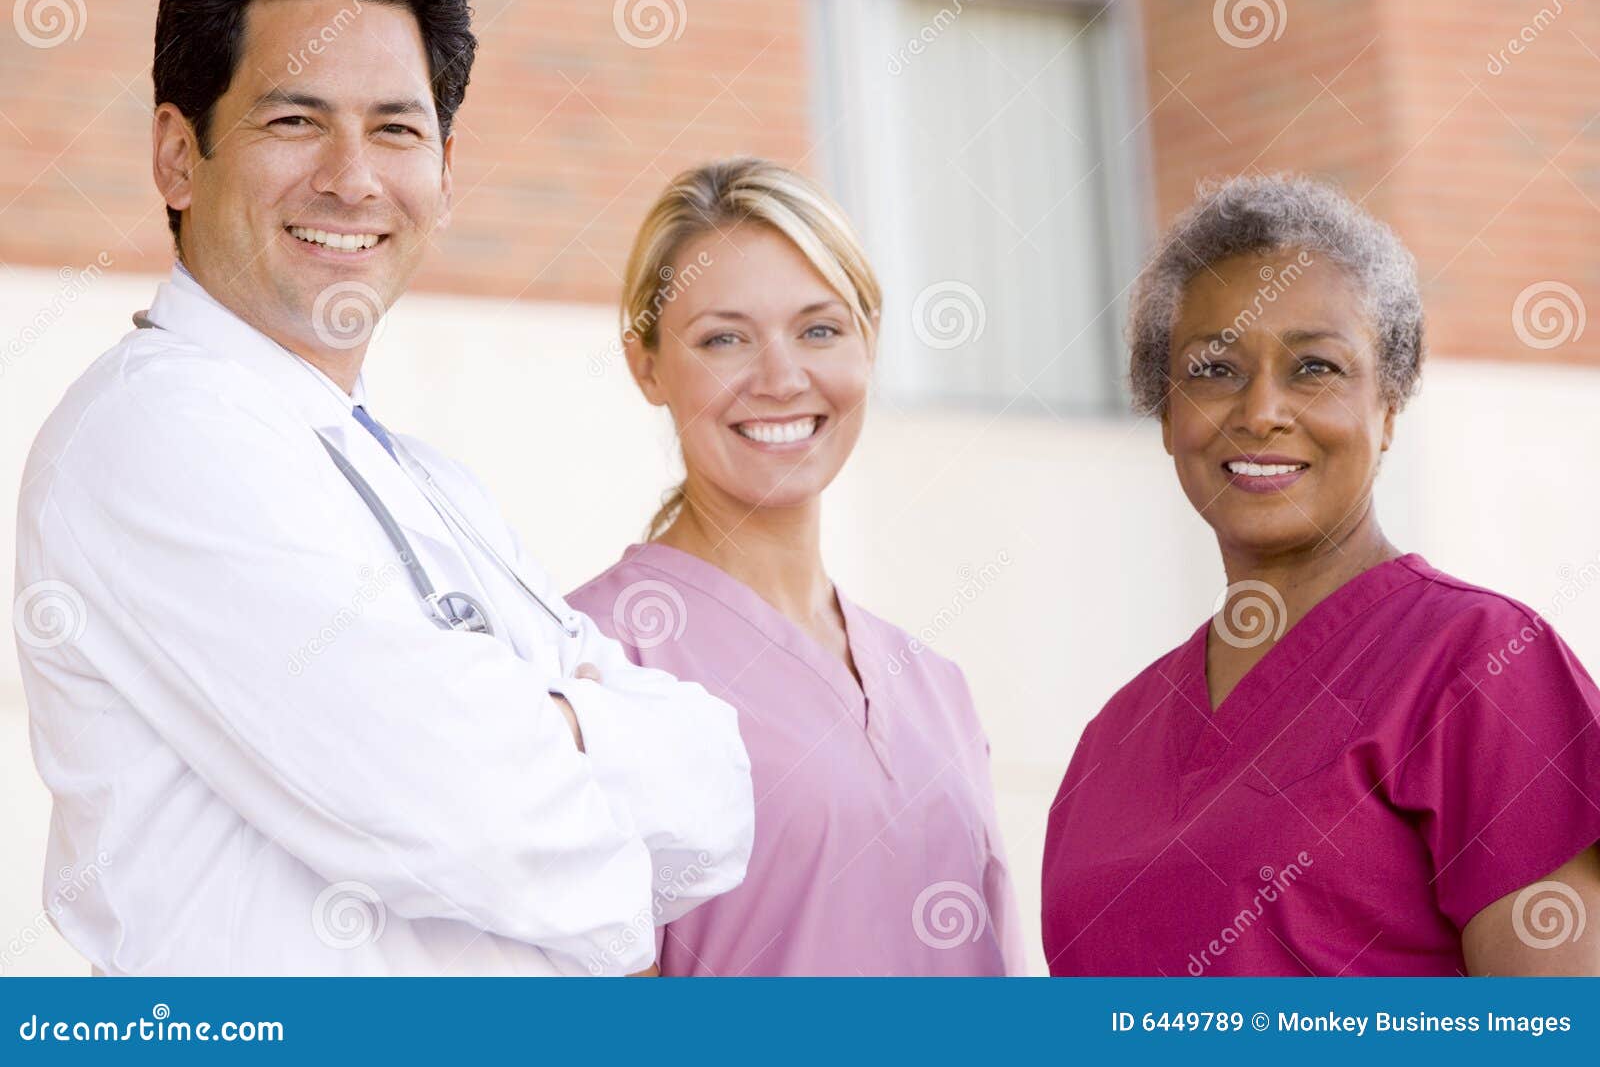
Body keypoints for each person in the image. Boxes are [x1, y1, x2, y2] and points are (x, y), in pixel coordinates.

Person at [13, 0, 751, 975]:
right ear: (179, 155)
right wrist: (591, 791)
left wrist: (546, 750)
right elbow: (460, 807)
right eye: (295, 121)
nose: (353, 179)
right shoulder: (153, 436)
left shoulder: (429, 480)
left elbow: (716, 785)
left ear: (445, 171)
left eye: (397, 129)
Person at [1041, 174, 1600, 976]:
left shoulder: (1483, 667)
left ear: (1389, 411)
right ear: (1165, 417)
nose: (1261, 409)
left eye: (1314, 367)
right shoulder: (1110, 743)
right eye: (1213, 368)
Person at [566, 158, 1024, 975]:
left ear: (868, 345)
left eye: (820, 329)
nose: (781, 378)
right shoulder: (591, 659)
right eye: (724, 339)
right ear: (645, 364)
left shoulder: (936, 687)